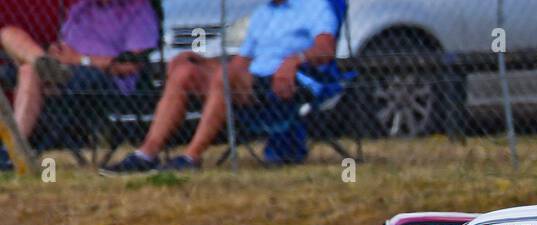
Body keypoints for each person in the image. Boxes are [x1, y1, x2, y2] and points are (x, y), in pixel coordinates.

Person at [100, 0, 337, 175]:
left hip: (290, 84)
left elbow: (326, 49)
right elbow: (239, 64)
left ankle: (191, 157)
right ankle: (146, 154)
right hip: (251, 82)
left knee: (223, 78)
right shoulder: (263, 13)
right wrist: (201, 62)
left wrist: (294, 60)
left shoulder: (315, 6)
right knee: (184, 71)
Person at [0, 0, 157, 170]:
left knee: (29, 72)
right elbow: (65, 44)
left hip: (100, 81)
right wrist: (56, 52)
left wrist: (80, 59)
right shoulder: (81, 7)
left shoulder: (138, 9)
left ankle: (11, 152)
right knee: (10, 37)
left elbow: (132, 64)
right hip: (64, 71)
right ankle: (43, 63)